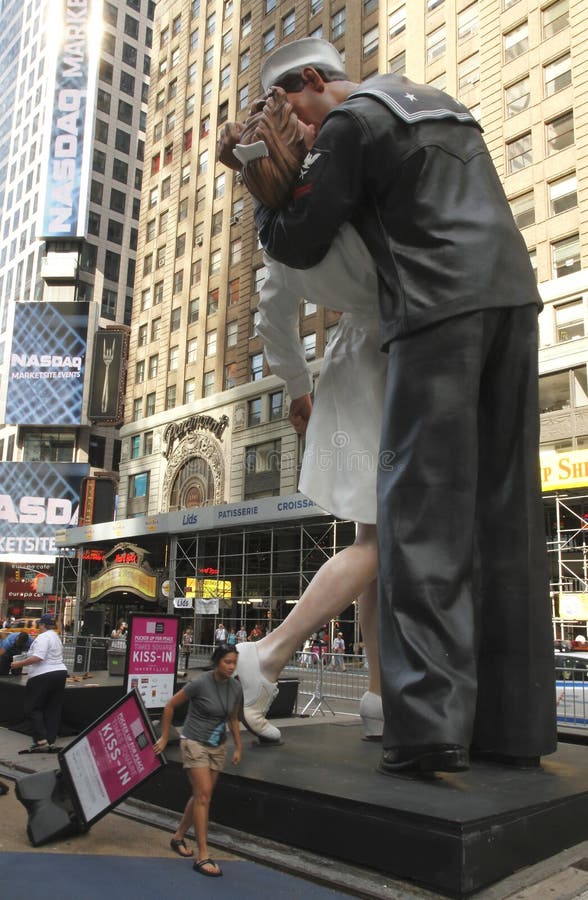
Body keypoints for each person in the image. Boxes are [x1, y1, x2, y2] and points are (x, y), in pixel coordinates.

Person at [224, 37, 558, 773]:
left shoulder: (352, 125)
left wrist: (263, 196)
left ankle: (429, 726)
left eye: (296, 112)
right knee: (506, 518)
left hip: (434, 316)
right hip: (512, 300)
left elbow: (301, 237)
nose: (301, 132)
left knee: (417, 523)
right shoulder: (440, 102)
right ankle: (513, 725)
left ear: (314, 82)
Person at [217, 89, 385, 744]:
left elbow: (273, 325)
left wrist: (296, 391)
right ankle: (270, 655)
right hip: (389, 363)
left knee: (377, 545)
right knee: (381, 543)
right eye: (308, 127)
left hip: (344, 371)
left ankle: (376, 696)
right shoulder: (346, 204)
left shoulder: (279, 241)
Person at [153, 644, 243, 878]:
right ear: (217, 662)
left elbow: (233, 718)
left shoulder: (235, 687)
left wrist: (238, 747)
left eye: (234, 662)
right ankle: (203, 855)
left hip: (217, 745)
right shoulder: (200, 683)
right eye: (227, 662)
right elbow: (170, 705)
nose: (231, 667)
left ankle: (178, 837)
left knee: (201, 796)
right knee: (203, 795)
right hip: (194, 742)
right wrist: (164, 737)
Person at [11, 614, 67, 752]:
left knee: (32, 708)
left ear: (42, 625)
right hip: (60, 673)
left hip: (43, 674)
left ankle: (41, 740)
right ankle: (50, 740)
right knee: (52, 708)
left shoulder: (43, 637)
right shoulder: (55, 637)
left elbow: (38, 657)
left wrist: (18, 664)